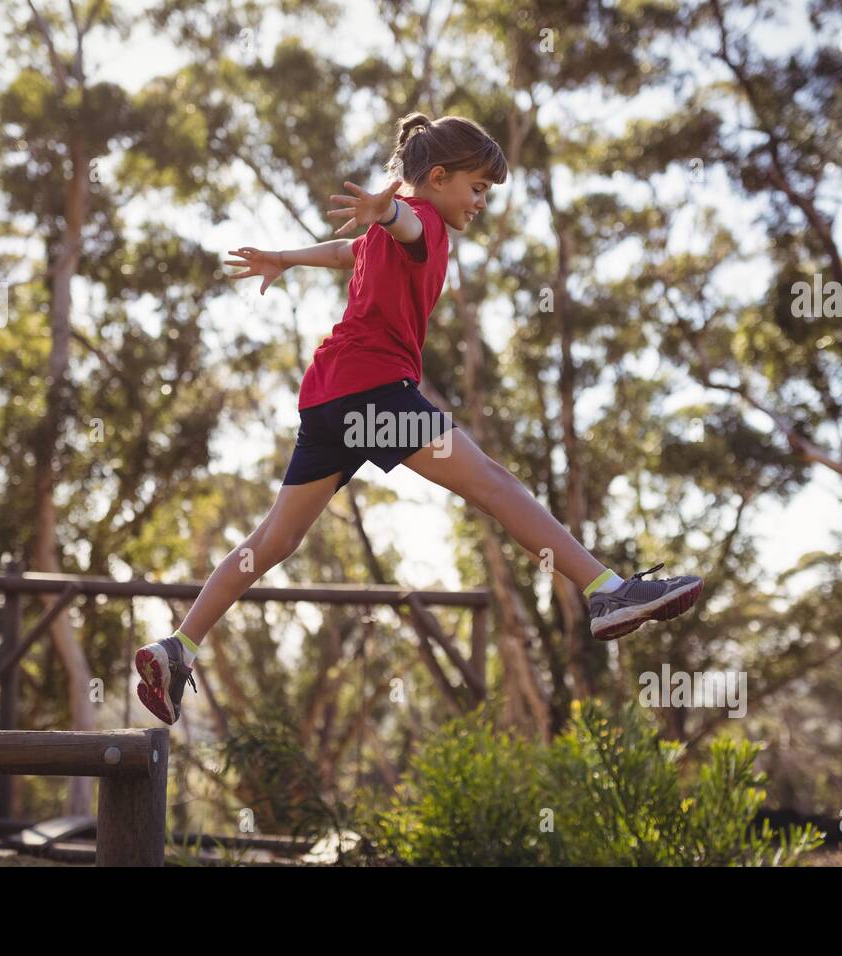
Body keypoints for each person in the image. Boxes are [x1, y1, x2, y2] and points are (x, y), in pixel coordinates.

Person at [135, 113, 703, 725]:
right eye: (478, 188)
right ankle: (608, 592)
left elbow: (351, 248)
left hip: (330, 398)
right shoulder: (426, 221)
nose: (481, 202)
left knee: (275, 539)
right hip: (375, 395)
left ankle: (178, 646)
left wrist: (285, 256)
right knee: (495, 482)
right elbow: (403, 225)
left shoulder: (399, 226)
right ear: (437, 177)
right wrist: (386, 211)